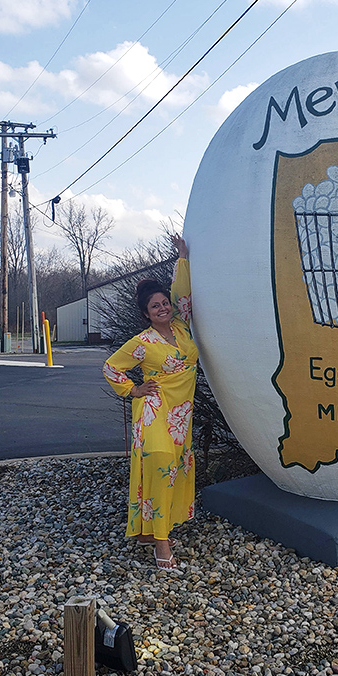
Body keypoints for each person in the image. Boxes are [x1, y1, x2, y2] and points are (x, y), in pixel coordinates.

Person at [103, 235, 197, 569]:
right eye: (155, 306)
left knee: (172, 469)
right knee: (160, 466)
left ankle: (148, 530)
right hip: (154, 414)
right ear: (146, 314)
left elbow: (183, 294)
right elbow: (111, 366)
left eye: (164, 303)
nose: (163, 308)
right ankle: (161, 543)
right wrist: (133, 390)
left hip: (180, 415)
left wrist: (181, 257)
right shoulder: (141, 342)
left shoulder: (182, 328)